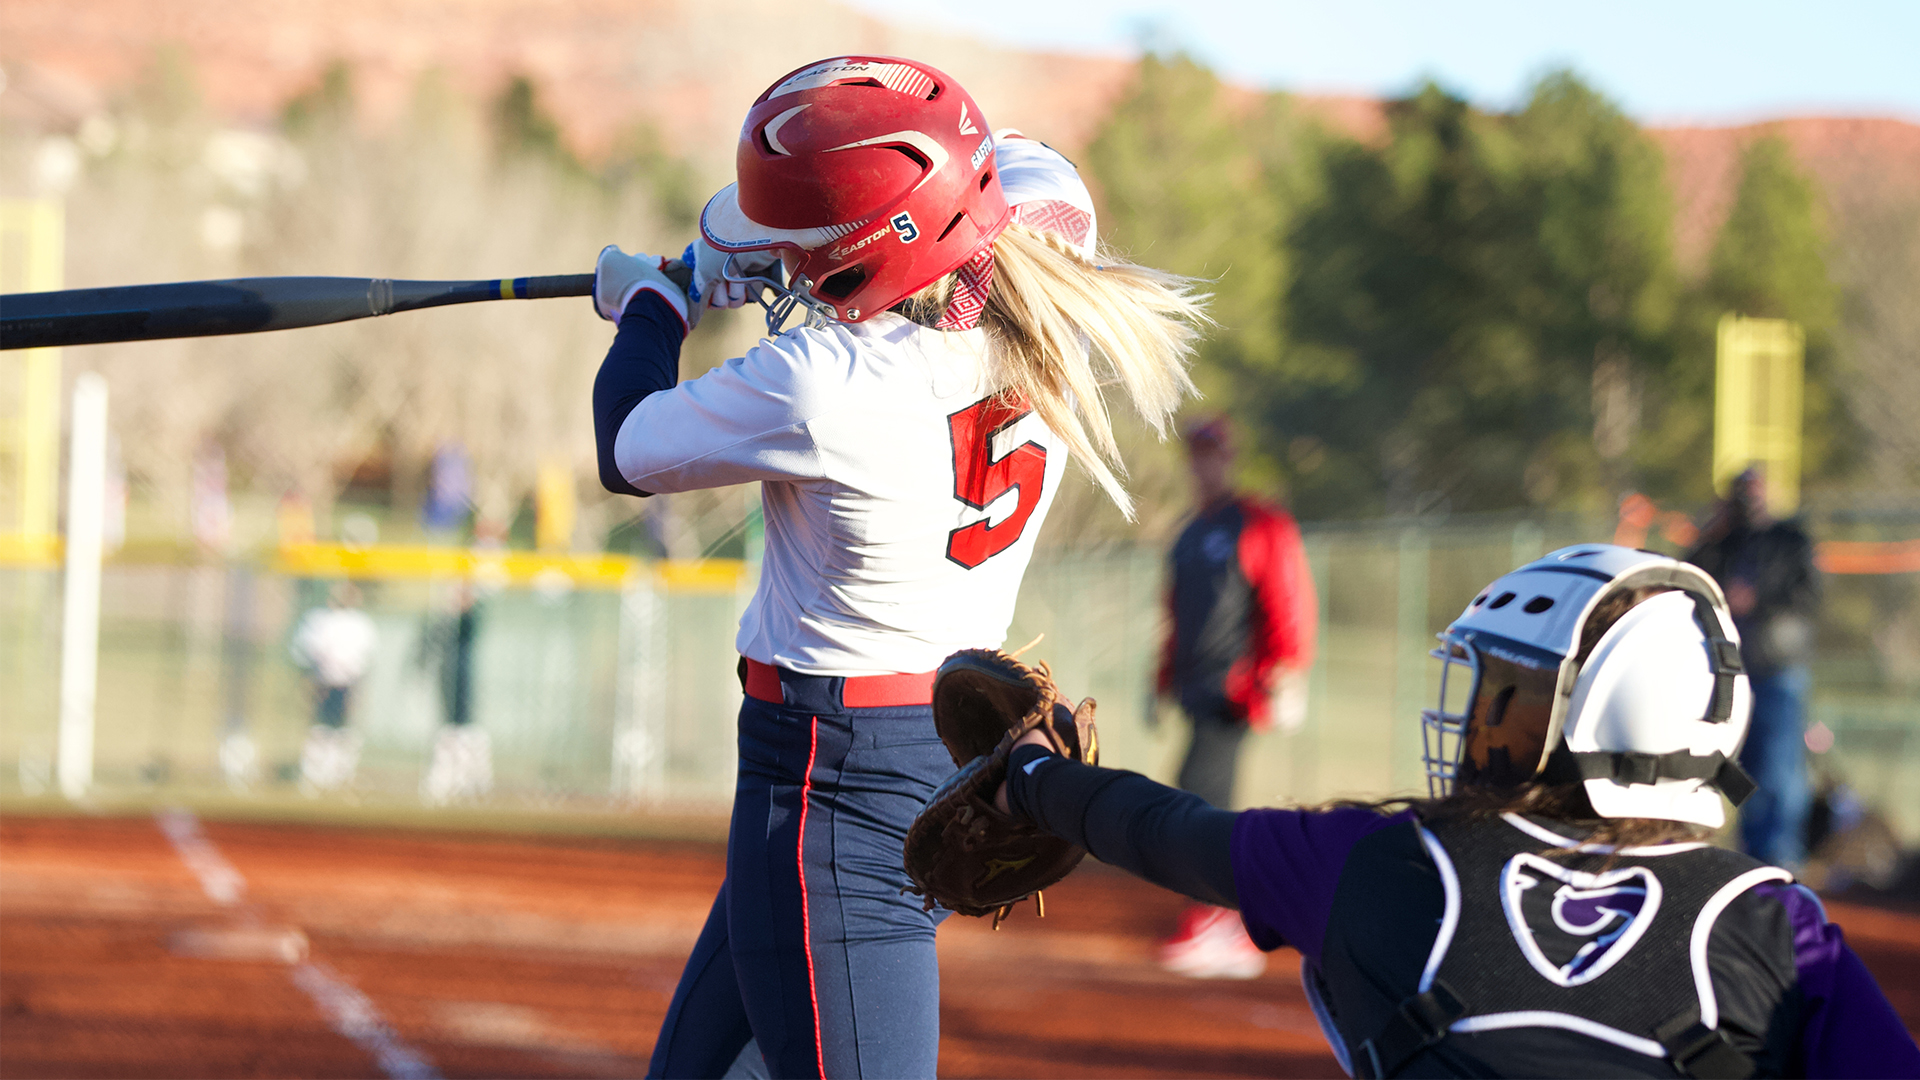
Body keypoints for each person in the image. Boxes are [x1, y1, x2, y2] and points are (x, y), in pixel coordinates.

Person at [588, 55, 1205, 1079]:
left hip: (828, 778)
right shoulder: (1050, 337)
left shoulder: (824, 381)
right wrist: (808, 264)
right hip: (942, 743)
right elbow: (1017, 203)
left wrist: (659, 305)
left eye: (810, 257)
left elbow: (627, 448)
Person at [990, 544, 1918, 1078]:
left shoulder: (1384, 858)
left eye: (1507, 689)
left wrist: (1030, 779)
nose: (1475, 717)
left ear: (1583, 715)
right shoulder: (1777, 925)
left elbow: (1169, 834)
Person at [1153, 415, 1317, 978]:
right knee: (1197, 790)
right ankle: (1214, 911)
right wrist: (1161, 679)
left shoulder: (1258, 522)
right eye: (1196, 452)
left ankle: (1226, 920)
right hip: (1197, 688)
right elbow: (1176, 615)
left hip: (1237, 687)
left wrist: (1286, 667)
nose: (1204, 463)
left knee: (1204, 795)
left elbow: (1286, 594)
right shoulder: (1190, 531)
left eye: (1214, 452)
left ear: (1230, 456)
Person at [1684, 466, 1821, 868]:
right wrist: (1710, 532)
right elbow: (1688, 579)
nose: (1750, 499)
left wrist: (1757, 600)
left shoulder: (1789, 538)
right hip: (1728, 672)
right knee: (1732, 771)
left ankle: (1778, 862)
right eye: (1742, 492)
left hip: (1778, 668)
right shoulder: (1721, 541)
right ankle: (1747, 856)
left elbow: (1807, 595)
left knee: (1778, 771)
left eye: (1756, 490)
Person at [289, 581, 378, 794]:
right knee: (320, 729)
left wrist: (359, 689)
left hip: (348, 683)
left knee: (343, 732)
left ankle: (340, 776)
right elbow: (305, 652)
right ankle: (315, 776)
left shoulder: (361, 624)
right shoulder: (319, 619)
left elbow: (365, 661)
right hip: (323, 681)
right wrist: (308, 681)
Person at [419, 582, 491, 805]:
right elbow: (430, 640)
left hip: (462, 685)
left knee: (466, 733)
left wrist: (464, 601)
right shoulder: (446, 623)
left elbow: (473, 615)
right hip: (448, 683)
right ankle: (449, 782)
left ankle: (470, 783)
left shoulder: (468, 623)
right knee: (450, 733)